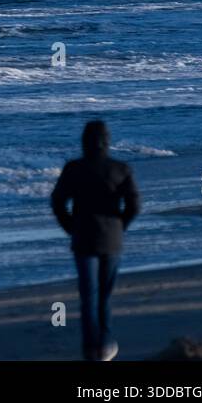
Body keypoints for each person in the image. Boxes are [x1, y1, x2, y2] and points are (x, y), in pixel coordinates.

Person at [50, 120, 141, 361]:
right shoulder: (120, 169)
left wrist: (70, 227)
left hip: (83, 237)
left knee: (88, 296)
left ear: (84, 142)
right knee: (105, 296)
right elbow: (134, 205)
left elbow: (58, 202)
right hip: (111, 238)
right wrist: (121, 225)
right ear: (107, 142)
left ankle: (90, 349)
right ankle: (106, 343)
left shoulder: (74, 168)